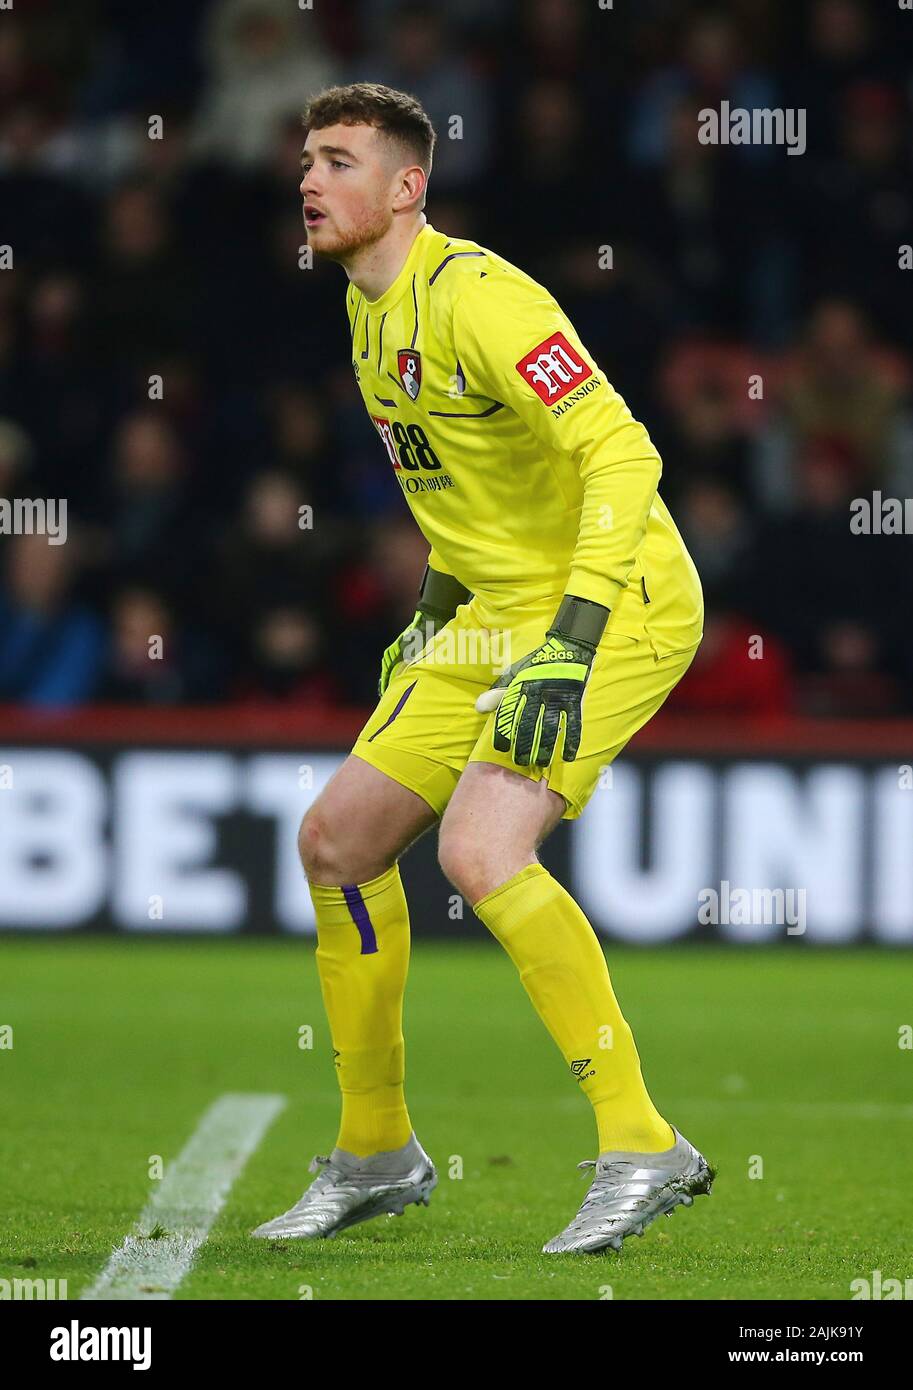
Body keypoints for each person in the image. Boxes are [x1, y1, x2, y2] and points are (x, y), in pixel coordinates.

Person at [252, 82, 714, 1254]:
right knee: (337, 844)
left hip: (614, 602)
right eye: (308, 157)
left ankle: (641, 1141)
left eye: (342, 161)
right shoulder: (366, 312)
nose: (312, 179)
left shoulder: (485, 301)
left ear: (407, 187)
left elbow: (622, 450)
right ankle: (373, 1150)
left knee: (478, 848)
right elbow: (467, 497)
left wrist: (569, 637)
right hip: (488, 613)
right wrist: (437, 603)